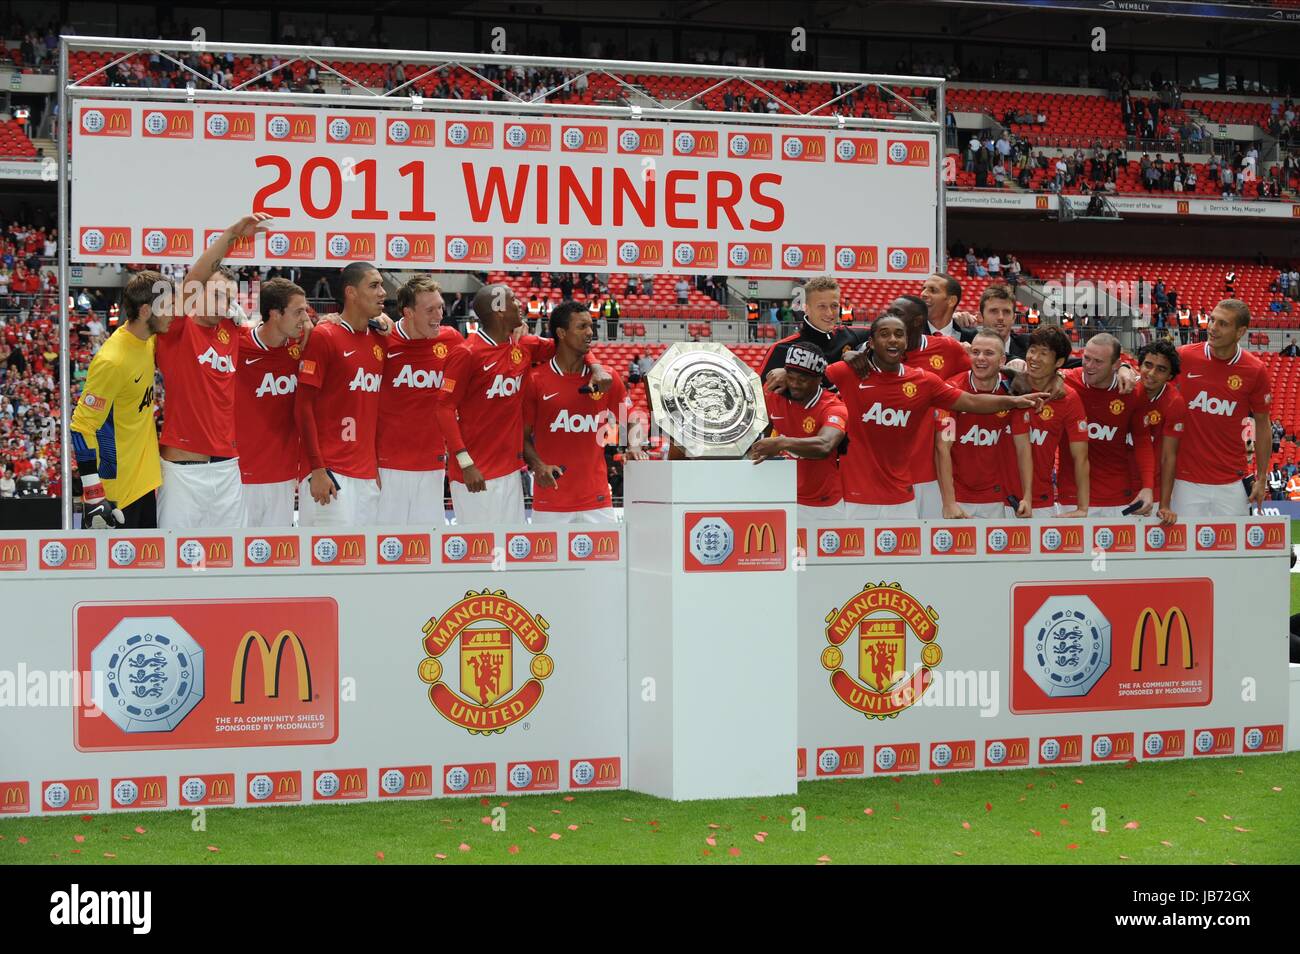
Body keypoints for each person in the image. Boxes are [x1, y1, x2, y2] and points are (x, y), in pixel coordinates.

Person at [824, 313, 1046, 519]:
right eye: (884, 335)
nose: (893, 340)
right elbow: (806, 376)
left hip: (903, 499)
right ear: (871, 343)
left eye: (899, 335)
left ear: (906, 343)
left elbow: (971, 401)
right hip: (855, 497)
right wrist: (847, 353)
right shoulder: (849, 373)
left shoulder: (924, 382)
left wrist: (1014, 401)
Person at [435, 285, 612, 525]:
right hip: (474, 472)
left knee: (510, 550)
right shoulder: (466, 353)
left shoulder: (524, 345)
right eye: (514, 300)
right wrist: (466, 463)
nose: (521, 304)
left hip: (510, 471)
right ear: (498, 310)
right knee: (479, 553)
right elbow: (443, 409)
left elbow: (571, 346)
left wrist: (596, 367)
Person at [153, 214, 271, 529]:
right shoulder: (175, 328)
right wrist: (231, 236)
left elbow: (276, 336)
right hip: (183, 471)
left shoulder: (231, 332)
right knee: (176, 562)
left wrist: (325, 323)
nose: (224, 303)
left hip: (227, 467)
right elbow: (194, 278)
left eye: (230, 298)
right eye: (217, 294)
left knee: (231, 563)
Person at [71, 270, 171, 529]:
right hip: (115, 498)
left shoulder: (148, 341)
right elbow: (81, 427)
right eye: (168, 307)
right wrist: (94, 495)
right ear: (147, 311)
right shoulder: (111, 361)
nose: (173, 314)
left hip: (145, 485)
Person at [523, 302, 635, 524]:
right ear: (561, 333)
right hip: (550, 501)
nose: (590, 333)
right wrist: (538, 466)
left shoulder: (606, 378)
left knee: (608, 559)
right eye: (582, 326)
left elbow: (632, 419)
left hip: (598, 500)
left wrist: (635, 446)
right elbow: (522, 436)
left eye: (591, 326)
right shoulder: (535, 380)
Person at [295, 262, 388, 527]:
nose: (382, 292)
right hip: (330, 473)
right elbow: (302, 407)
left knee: (364, 564)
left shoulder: (380, 338)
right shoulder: (325, 336)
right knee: (327, 564)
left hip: (367, 476)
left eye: (382, 285)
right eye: (374, 286)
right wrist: (317, 468)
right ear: (351, 292)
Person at [1171, 299, 1273, 515]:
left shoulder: (1255, 370)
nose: (1212, 328)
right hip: (1185, 482)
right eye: (1212, 320)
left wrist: (1262, 477)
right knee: (1184, 548)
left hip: (1232, 482)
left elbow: (1263, 425)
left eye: (1223, 324)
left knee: (1232, 548)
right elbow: (1146, 377)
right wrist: (1123, 366)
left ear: (1240, 332)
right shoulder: (1184, 356)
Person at [375, 276, 464, 526]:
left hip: (433, 465)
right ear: (408, 312)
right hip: (387, 466)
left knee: (426, 550)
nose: (439, 315)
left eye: (440, 307)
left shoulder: (452, 340)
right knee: (386, 548)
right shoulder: (382, 340)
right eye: (430, 310)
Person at [236, 277, 310, 528]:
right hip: (240, 476)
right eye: (298, 311)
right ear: (275, 314)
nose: (306, 317)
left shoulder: (302, 346)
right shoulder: (238, 343)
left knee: (276, 560)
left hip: (284, 477)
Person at [935, 329, 1033, 518]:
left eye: (989, 353)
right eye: (976, 352)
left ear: (1002, 360)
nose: (980, 358)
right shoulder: (951, 389)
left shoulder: (1014, 391)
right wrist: (949, 501)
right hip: (957, 497)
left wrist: (1027, 497)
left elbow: (1023, 447)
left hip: (999, 497)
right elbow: (943, 447)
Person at [747, 343, 848, 524]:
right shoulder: (774, 395)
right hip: (782, 498)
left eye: (802, 380)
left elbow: (825, 445)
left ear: (819, 379)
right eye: (790, 377)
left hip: (824, 505)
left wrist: (782, 443)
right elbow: (757, 431)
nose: (794, 384)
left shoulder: (833, 407)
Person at [1056, 333, 1154, 517]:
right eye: (1086, 358)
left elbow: (1142, 440)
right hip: (1072, 497)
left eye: (1098, 362)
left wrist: (1147, 487)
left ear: (1116, 365)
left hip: (1117, 497)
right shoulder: (1065, 382)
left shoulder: (1132, 391)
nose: (1089, 366)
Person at [1013, 325, 1090, 517]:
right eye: (1032, 350)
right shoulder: (1008, 384)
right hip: (996, 497)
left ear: (1059, 362)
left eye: (1043, 353)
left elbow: (1080, 457)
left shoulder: (1068, 398)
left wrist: (1082, 508)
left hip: (1040, 500)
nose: (1034, 358)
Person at [759, 275, 868, 386]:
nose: (830, 313)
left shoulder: (852, 336)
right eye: (822, 306)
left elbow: (882, 332)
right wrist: (792, 375)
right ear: (806, 309)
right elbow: (761, 398)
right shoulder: (781, 349)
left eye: (834, 306)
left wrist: (861, 351)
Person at [1135, 339, 1187, 525]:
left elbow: (1168, 456)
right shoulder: (1125, 389)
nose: (1151, 373)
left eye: (1161, 369)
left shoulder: (1174, 402)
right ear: (1139, 365)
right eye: (1148, 365)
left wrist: (1164, 505)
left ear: (1170, 376)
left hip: (1152, 491)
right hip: (1117, 487)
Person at [919, 272, 976, 343]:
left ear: (951, 301)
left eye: (933, 290)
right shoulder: (911, 333)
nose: (923, 294)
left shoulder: (971, 336)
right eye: (923, 289)